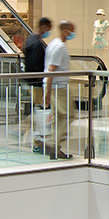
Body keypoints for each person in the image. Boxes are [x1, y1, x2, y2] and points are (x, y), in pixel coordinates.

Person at [43, 21, 76, 156]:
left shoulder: (53, 44)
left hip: (55, 86)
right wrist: (48, 93)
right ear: (65, 31)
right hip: (59, 87)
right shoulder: (60, 47)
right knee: (68, 115)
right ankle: (53, 144)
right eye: (71, 31)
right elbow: (51, 70)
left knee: (58, 117)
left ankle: (54, 147)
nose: (72, 34)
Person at [22, 17, 51, 152]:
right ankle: (30, 135)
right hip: (36, 83)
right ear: (43, 26)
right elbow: (35, 64)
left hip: (32, 81)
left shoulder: (31, 40)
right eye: (48, 28)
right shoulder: (36, 44)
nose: (48, 31)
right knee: (39, 111)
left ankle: (31, 135)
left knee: (38, 110)